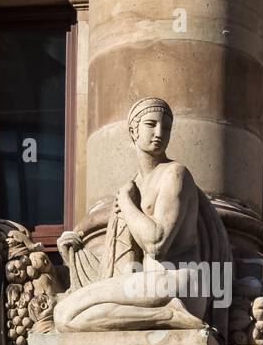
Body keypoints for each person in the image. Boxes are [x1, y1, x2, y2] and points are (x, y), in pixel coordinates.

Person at [54, 97, 231, 332]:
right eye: (151, 124)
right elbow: (125, 266)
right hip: (148, 288)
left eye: (166, 127)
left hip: (179, 283)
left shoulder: (175, 174)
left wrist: (126, 202)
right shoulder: (137, 183)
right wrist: (76, 259)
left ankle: (172, 311)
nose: (159, 132)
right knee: (68, 320)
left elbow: (156, 243)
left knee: (65, 311)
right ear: (133, 130)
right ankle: (167, 315)